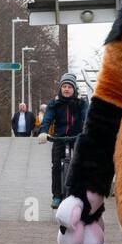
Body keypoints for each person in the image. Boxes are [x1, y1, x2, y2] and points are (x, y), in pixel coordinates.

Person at [36, 73, 88, 208]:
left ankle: (79, 195)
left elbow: (86, 117)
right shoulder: (54, 103)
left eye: (69, 87)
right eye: (64, 86)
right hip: (59, 137)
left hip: (76, 136)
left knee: (80, 165)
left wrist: (89, 131)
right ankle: (57, 196)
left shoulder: (81, 103)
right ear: (60, 88)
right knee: (56, 166)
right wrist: (43, 132)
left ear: (74, 89)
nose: (66, 89)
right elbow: (47, 118)